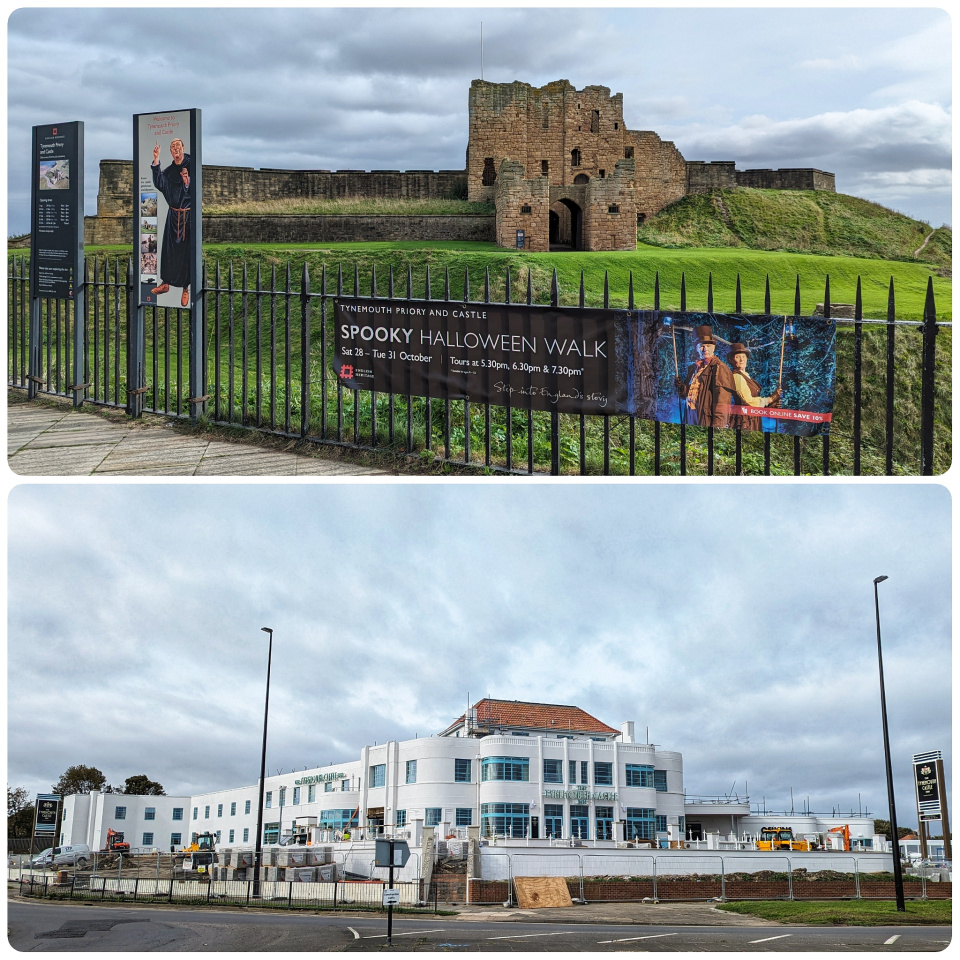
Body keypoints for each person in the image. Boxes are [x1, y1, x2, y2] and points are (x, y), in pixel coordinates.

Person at [150, 138, 193, 307]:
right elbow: (160, 182)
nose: (175, 148)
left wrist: (187, 183)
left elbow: (195, 190)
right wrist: (156, 160)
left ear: (183, 148)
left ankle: (185, 288)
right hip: (172, 216)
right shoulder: (169, 171)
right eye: (172, 146)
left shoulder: (191, 166)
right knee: (168, 252)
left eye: (178, 145)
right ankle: (166, 283)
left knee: (185, 254)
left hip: (187, 218)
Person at [675, 325, 736, 427]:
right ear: (697, 348)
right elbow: (688, 393)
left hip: (705, 417)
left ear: (714, 347)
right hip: (690, 413)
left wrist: (718, 425)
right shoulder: (694, 368)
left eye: (708, 346)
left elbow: (723, 401)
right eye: (701, 346)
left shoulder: (719, 368)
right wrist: (681, 387)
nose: (705, 349)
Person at [727, 342, 781, 431]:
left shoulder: (746, 376)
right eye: (737, 357)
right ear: (732, 360)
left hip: (752, 417)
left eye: (743, 356)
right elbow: (749, 401)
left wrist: (771, 404)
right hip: (744, 419)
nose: (741, 359)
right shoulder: (737, 377)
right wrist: (770, 399)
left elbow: (755, 400)